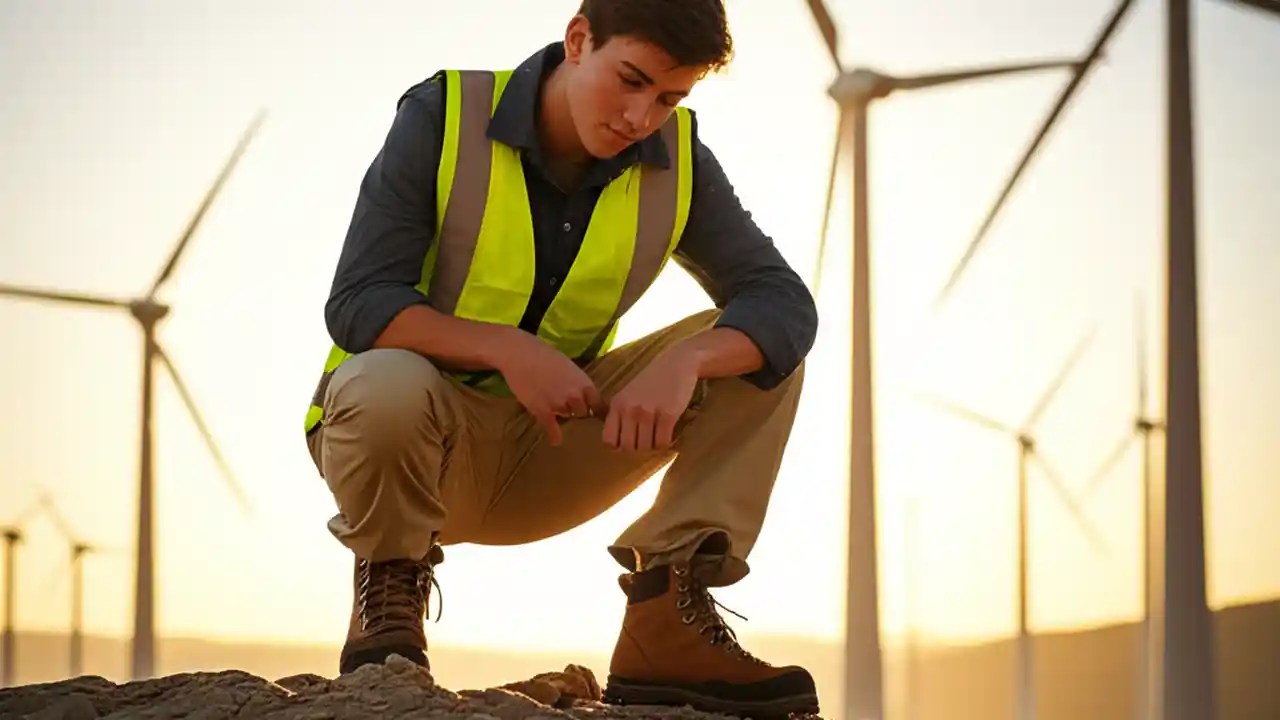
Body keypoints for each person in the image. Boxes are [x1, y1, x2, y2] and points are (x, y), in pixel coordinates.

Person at [303, 0, 820, 716]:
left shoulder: (679, 160)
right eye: (632, 80)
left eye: (671, 97)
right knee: (382, 380)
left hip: (555, 443)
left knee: (762, 350)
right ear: (578, 40)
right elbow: (357, 301)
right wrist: (506, 349)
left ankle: (664, 619)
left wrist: (688, 361)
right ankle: (389, 594)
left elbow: (784, 301)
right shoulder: (443, 115)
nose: (643, 116)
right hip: (412, 449)